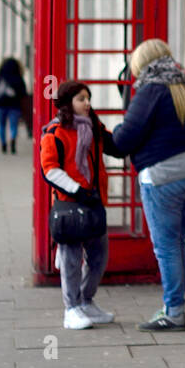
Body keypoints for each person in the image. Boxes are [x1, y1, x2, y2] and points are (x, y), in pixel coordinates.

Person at [110, 39, 185, 332]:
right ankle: (173, 305)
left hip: (164, 178)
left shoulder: (151, 90)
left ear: (140, 63)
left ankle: (175, 312)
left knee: (166, 246)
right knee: (178, 240)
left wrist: (113, 128)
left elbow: (124, 140)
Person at [39, 81, 121, 330]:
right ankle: (71, 308)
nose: (87, 103)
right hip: (71, 206)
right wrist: (78, 191)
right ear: (67, 103)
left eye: (88, 98)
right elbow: (49, 169)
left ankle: (86, 301)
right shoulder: (55, 132)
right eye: (81, 99)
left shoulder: (94, 127)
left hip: (95, 202)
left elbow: (116, 146)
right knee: (72, 260)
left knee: (99, 257)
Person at [0, 57, 29, 154]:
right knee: (13, 125)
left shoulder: (0, 77)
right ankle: (12, 140)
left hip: (1, 106)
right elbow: (23, 93)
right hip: (14, 106)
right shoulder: (18, 78)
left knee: (2, 126)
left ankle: (3, 144)